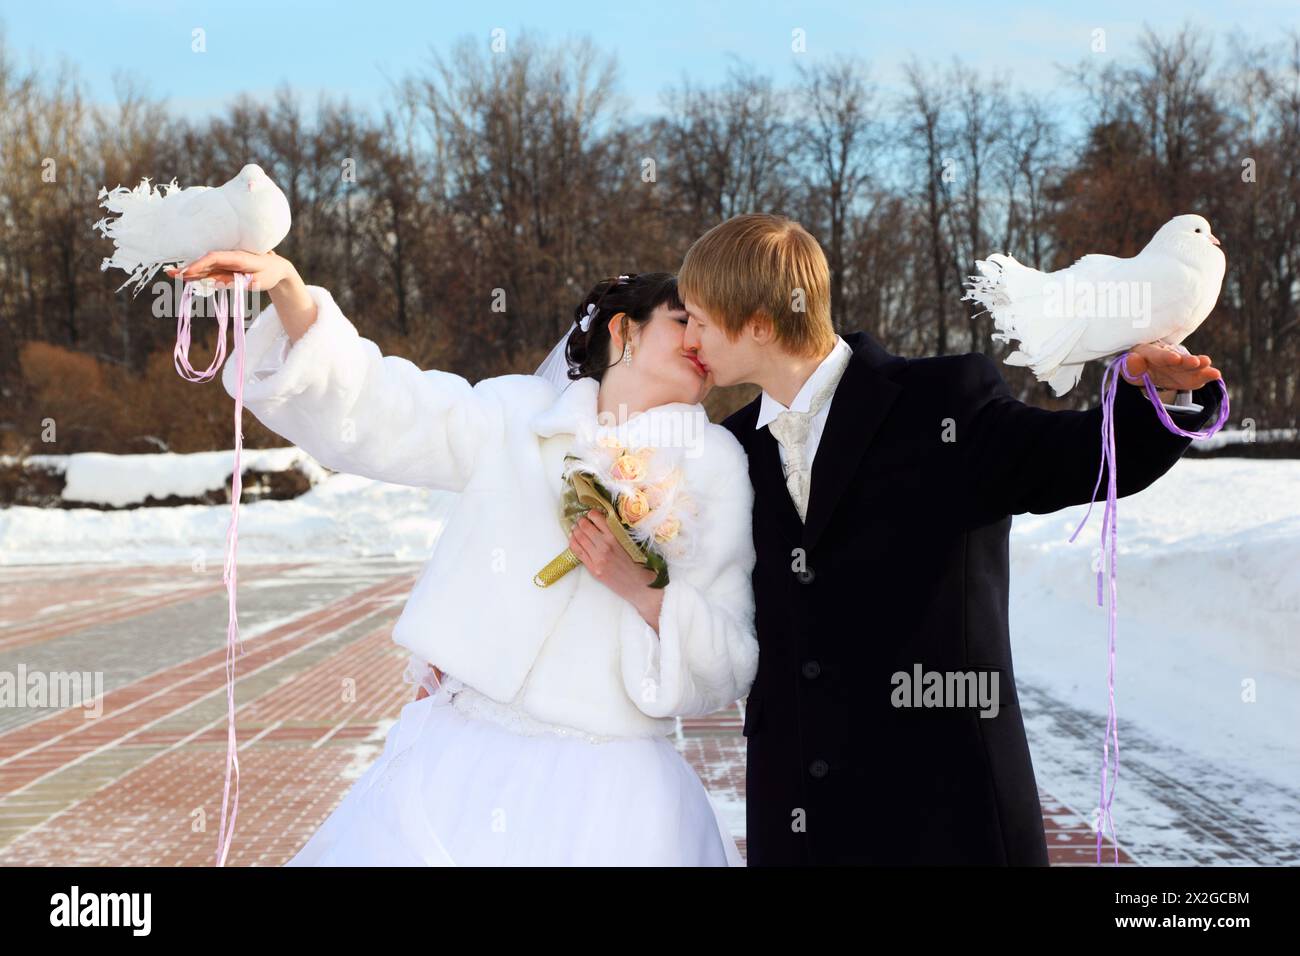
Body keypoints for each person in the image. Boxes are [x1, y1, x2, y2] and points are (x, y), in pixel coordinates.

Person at [675, 213, 1225, 865]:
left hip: (946, 818)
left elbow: (1081, 457)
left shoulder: (942, 403)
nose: (688, 336)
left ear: (759, 323)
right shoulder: (728, 450)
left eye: (698, 318)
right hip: (798, 822)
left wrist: (1155, 393)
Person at [175, 252, 757, 866]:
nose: (700, 339)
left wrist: (642, 589)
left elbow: (728, 661)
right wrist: (290, 290)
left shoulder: (717, 468)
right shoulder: (516, 416)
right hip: (461, 762)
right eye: (681, 319)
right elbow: (388, 408)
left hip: (617, 796)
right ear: (624, 330)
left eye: (709, 326)